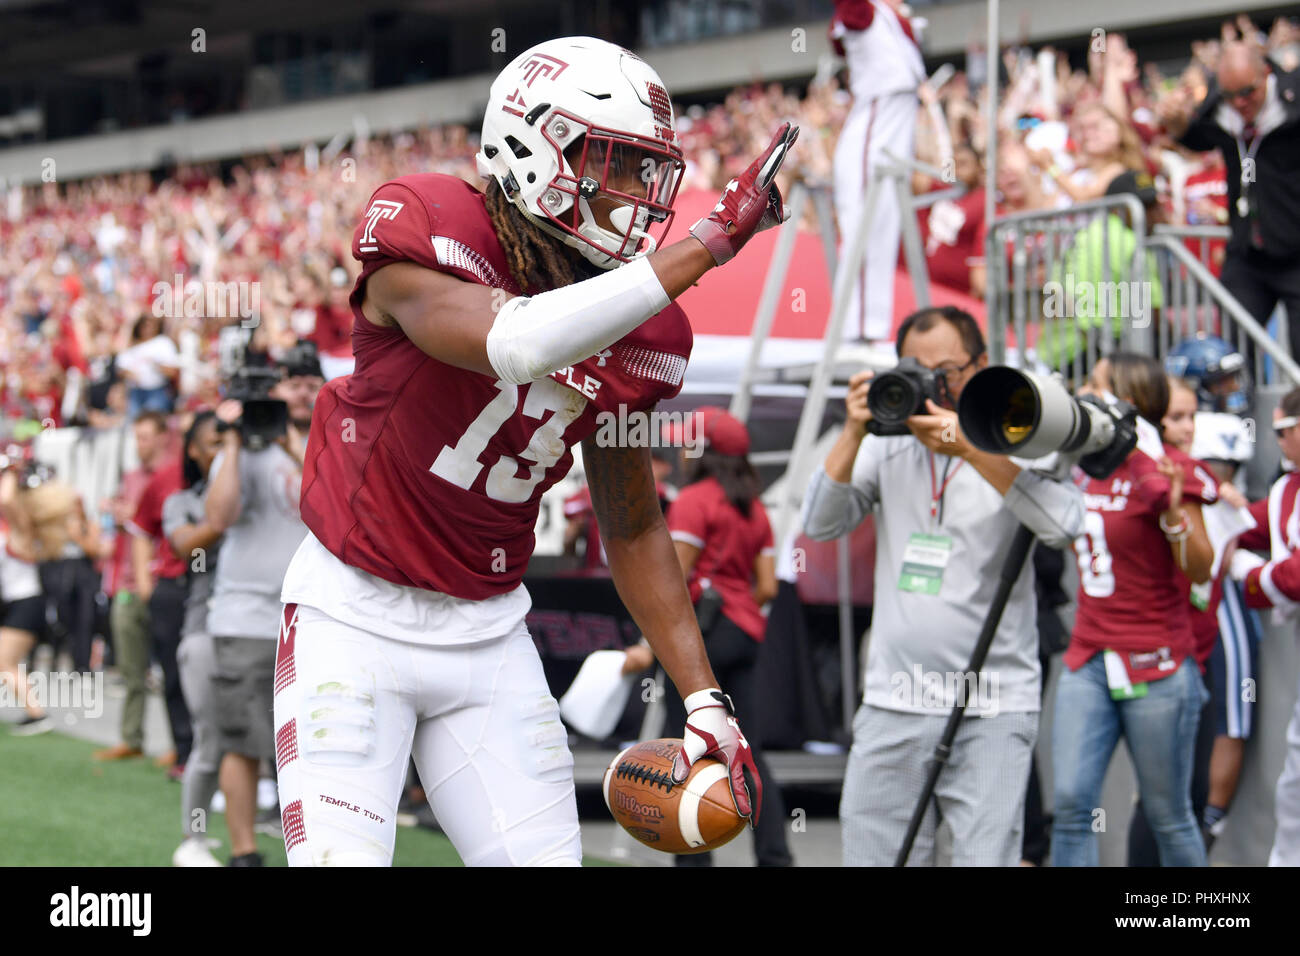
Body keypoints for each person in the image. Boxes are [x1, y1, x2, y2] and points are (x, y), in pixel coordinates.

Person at [274, 35, 795, 867]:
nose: (638, 196)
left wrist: (704, 700)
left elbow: (632, 525)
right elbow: (514, 342)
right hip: (353, 617)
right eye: (617, 165)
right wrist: (705, 246)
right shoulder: (433, 220)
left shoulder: (647, 331)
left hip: (490, 632)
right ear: (533, 142)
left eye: (649, 172)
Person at [802, 305, 1085, 866]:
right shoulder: (887, 436)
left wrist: (971, 449)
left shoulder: (1019, 431)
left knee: (987, 860)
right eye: (916, 367)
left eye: (948, 369)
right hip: (892, 699)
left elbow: (1062, 525)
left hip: (993, 704)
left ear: (981, 365)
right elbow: (820, 523)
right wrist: (855, 429)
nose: (933, 382)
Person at [1053, 354, 1216, 867]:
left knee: (1168, 813)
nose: (1084, 391)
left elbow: (1200, 569)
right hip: (1089, 657)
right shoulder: (1079, 462)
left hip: (1158, 662)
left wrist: (1170, 512)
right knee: (1071, 803)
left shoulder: (1167, 466)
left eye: (1096, 385)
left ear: (1124, 399)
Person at [655, 407, 790, 866]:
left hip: (702, 639)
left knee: (693, 751)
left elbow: (672, 580)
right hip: (745, 633)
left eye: (689, 442)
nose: (681, 450)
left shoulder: (693, 500)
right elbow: (768, 587)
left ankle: (694, 859)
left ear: (705, 451)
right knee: (746, 752)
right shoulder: (756, 508)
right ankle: (775, 856)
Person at [206, 346, 322, 866]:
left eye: (309, 381)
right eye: (290, 382)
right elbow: (220, 517)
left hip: (317, 614)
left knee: (320, 740)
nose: (300, 390)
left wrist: (292, 445)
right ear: (273, 391)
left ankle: (319, 846)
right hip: (246, 615)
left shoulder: (331, 442)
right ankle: (244, 852)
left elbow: (343, 503)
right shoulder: (241, 449)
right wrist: (233, 441)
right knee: (242, 737)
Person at [1158, 40, 1300, 357]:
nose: (1240, 102)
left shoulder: (1294, 97)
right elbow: (1197, 138)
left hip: (1295, 250)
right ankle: (1235, 407)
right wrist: (1177, 123)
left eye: (1247, 91)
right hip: (1248, 251)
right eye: (1230, 94)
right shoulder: (1218, 107)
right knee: (1231, 350)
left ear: (1265, 73)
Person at [829, 0, 926, 343]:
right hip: (872, 126)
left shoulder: (894, 17)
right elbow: (846, 22)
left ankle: (871, 330)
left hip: (894, 124)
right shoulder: (865, 10)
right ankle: (854, 331)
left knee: (883, 228)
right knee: (863, 228)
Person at [1233, 387, 1300, 866]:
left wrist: (1247, 573)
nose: (1279, 442)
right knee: (1294, 788)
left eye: (1284, 431)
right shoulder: (1288, 489)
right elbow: (1243, 525)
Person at [166, 411, 227, 867]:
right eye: (212, 443)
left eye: (229, 442)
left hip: (271, 628)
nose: (222, 451)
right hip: (205, 629)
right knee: (211, 740)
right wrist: (227, 506)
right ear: (193, 450)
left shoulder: (264, 491)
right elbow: (191, 549)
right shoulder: (184, 501)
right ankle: (194, 837)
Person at [93, 410, 172, 761]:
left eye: (145, 436)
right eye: (136, 437)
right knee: (131, 667)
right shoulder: (130, 478)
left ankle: (179, 745)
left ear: (161, 437)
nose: (140, 444)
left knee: (171, 668)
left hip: (165, 582)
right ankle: (132, 737)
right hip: (127, 582)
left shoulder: (173, 479)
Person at [127, 425, 191, 778]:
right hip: (172, 584)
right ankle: (184, 752)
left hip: (216, 588)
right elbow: (140, 530)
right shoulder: (167, 478)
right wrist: (144, 582)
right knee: (173, 674)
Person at [116, 314, 180, 419]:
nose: (148, 328)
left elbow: (172, 371)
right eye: (144, 325)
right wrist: (129, 374)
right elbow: (120, 367)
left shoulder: (163, 343)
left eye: (151, 325)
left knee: (154, 422)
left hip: (157, 391)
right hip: (135, 392)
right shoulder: (132, 345)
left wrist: (156, 366)